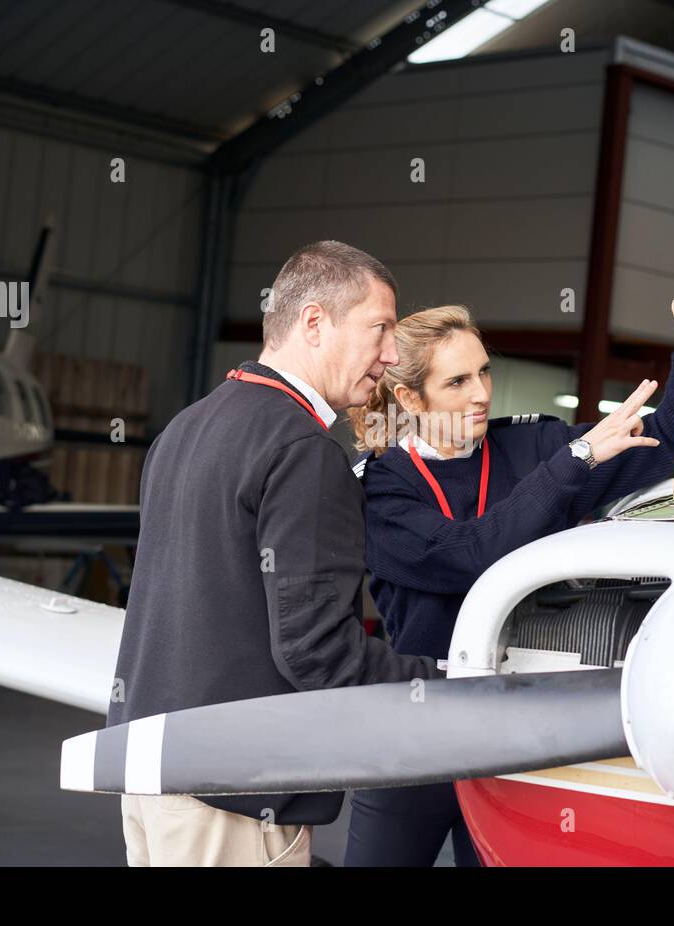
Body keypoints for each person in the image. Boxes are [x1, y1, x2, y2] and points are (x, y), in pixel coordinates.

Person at [343, 293, 674, 866]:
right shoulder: (381, 488)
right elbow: (469, 556)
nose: (481, 393)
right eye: (457, 381)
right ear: (409, 398)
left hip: (513, 726)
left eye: (484, 372)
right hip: (415, 729)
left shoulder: (534, 446)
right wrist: (575, 461)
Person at [108, 240, 441, 867]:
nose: (393, 355)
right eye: (380, 329)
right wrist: (441, 683)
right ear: (314, 322)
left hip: (150, 773)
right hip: (233, 792)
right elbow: (315, 651)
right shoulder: (303, 451)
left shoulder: (184, 428)